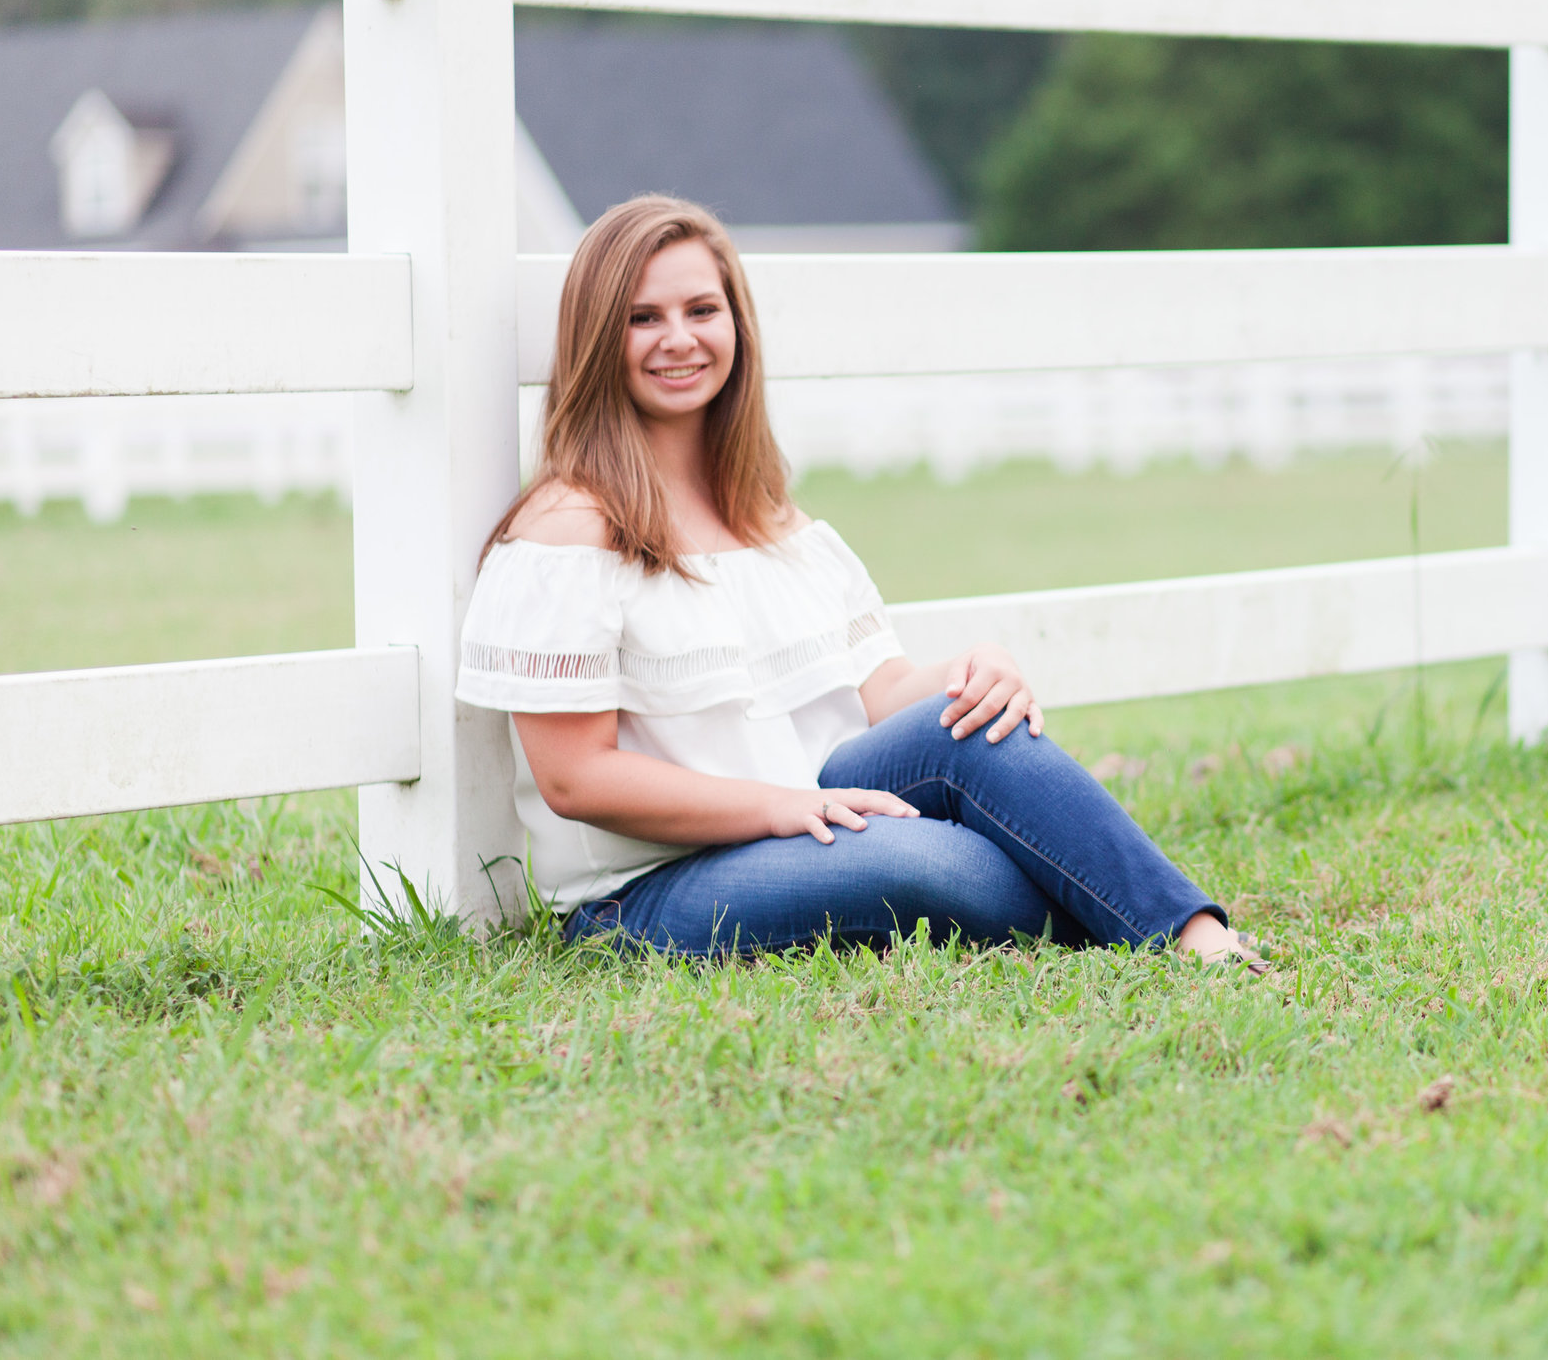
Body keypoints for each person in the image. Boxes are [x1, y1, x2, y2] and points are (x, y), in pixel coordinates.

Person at [455, 194, 1262, 967]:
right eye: (643, 317)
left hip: (817, 802)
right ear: (600, 336)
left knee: (977, 727)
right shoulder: (568, 530)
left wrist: (973, 671)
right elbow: (576, 776)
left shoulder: (774, 520)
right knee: (931, 864)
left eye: (702, 310)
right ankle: (1120, 908)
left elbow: (880, 693)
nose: (680, 338)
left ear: (736, 323)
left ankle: (1196, 935)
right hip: (652, 887)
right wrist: (778, 808)